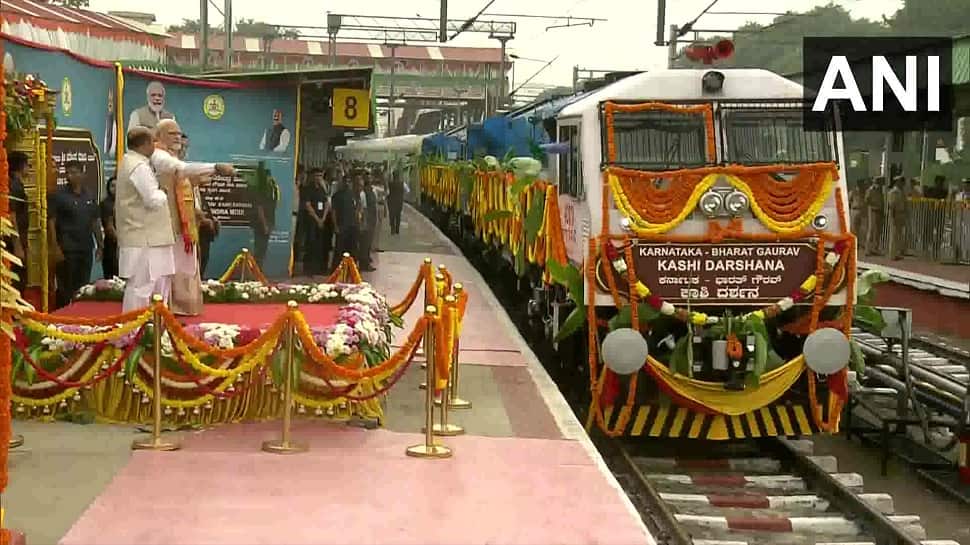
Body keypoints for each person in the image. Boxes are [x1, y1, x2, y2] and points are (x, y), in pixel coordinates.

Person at [152, 119, 233, 315]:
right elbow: (181, 170)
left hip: (180, 223)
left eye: (179, 133)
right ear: (159, 136)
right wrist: (215, 167)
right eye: (172, 133)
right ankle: (162, 310)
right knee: (166, 270)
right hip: (164, 224)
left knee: (181, 265)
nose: (178, 137)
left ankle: (178, 307)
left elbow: (184, 175)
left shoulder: (172, 158)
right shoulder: (158, 156)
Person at [116, 127, 175, 312]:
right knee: (142, 288)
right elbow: (152, 200)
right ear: (145, 144)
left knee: (157, 285)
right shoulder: (138, 166)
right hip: (143, 239)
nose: (155, 146)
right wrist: (163, 191)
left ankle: (154, 328)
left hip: (150, 238)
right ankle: (135, 331)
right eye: (153, 142)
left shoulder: (134, 162)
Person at [49, 161, 103, 308]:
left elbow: (95, 221)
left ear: (82, 174)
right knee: (66, 286)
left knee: (83, 285)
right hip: (67, 248)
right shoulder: (59, 196)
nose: (69, 176)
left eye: (73, 172)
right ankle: (64, 316)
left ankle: (80, 315)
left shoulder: (89, 195)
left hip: (85, 247)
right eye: (67, 173)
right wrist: (55, 247)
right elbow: (51, 223)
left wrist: (100, 245)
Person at [301, 168, 333, 276]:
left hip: (321, 219)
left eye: (320, 175)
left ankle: (317, 267)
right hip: (312, 220)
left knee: (319, 244)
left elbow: (326, 203)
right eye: (316, 175)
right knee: (310, 243)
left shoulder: (322, 189)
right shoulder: (308, 189)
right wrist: (317, 218)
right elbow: (307, 205)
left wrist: (323, 218)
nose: (318, 178)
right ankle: (308, 269)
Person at [6, 151, 30, 292]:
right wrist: (17, 245)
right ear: (21, 167)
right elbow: (12, 216)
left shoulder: (16, 185)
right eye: (27, 165)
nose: (29, 168)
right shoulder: (14, 186)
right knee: (17, 281)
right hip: (15, 241)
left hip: (21, 238)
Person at [330, 173, 359, 269]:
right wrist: (335, 226)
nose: (347, 183)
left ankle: (351, 269)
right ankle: (336, 269)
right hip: (342, 226)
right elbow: (334, 211)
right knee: (339, 249)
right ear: (342, 182)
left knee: (352, 249)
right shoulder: (337, 196)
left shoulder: (353, 194)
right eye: (345, 181)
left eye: (349, 181)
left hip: (352, 226)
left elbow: (356, 209)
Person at [100, 176, 119, 279]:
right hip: (112, 245)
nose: (115, 188)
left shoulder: (125, 202)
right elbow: (109, 226)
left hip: (126, 244)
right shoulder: (106, 204)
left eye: (117, 186)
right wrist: (119, 242)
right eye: (112, 186)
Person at [887, 177, 908, 261]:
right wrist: (892, 216)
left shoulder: (901, 192)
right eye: (901, 182)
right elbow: (892, 205)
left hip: (901, 214)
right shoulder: (894, 192)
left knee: (899, 234)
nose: (903, 184)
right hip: (895, 214)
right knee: (894, 234)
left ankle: (897, 253)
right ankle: (892, 254)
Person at [864, 176, 886, 256]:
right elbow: (866, 200)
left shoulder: (880, 190)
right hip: (873, 211)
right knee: (872, 229)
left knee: (877, 231)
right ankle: (868, 249)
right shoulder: (871, 190)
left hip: (879, 211)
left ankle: (875, 248)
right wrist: (873, 204)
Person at [849, 178, 868, 246]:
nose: (863, 185)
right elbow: (849, 200)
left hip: (862, 210)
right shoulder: (853, 191)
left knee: (862, 228)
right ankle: (854, 243)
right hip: (854, 210)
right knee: (854, 228)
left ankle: (861, 243)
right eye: (862, 183)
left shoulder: (864, 191)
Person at [387, 167, 405, 235]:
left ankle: (392, 229)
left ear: (393, 176)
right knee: (398, 216)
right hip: (399, 202)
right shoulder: (402, 183)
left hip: (391, 202)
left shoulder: (390, 183)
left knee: (392, 216)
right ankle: (397, 229)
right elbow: (407, 191)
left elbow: (388, 192)